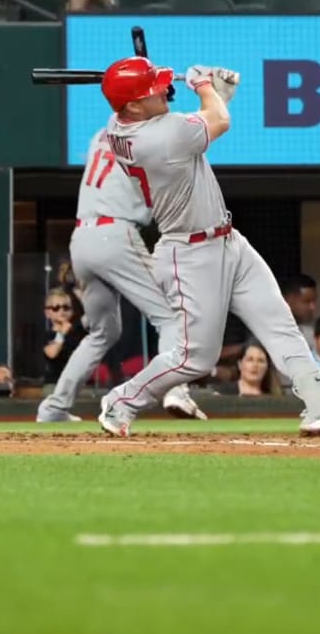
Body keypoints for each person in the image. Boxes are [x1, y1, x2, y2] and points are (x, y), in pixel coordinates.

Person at [94, 58, 320, 437]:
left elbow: (197, 121)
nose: (165, 91)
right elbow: (218, 121)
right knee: (195, 357)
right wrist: (206, 88)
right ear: (134, 106)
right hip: (188, 253)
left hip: (227, 240)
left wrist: (214, 97)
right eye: (154, 90)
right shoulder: (160, 137)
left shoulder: (120, 126)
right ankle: (121, 401)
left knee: (280, 322)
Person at [35, 125, 201, 423]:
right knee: (171, 316)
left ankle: (53, 409)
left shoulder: (100, 133)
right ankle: (175, 390)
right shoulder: (149, 133)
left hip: (82, 238)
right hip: (115, 235)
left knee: (103, 332)